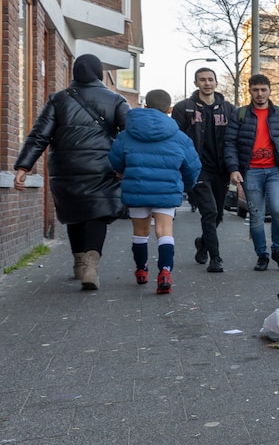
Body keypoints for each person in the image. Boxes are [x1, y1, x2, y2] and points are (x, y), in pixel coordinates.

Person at [15, 54, 130, 291]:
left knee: (74, 210)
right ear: (99, 73)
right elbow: (130, 135)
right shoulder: (116, 100)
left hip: (65, 167)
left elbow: (39, 135)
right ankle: (91, 265)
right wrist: (126, 167)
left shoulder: (58, 100)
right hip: (102, 166)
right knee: (97, 213)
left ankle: (79, 263)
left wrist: (23, 167)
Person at [109, 89, 201, 293]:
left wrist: (125, 172)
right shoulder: (180, 137)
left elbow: (115, 160)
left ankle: (141, 271)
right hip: (166, 189)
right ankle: (165, 272)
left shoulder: (126, 134)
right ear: (168, 109)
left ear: (146, 106)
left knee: (140, 232)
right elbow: (193, 166)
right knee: (164, 231)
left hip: (137, 188)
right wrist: (185, 185)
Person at [224, 74, 279, 271]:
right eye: (256, 89)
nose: (259, 94)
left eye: (263, 89)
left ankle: (278, 250)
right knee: (256, 215)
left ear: (269, 90)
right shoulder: (240, 115)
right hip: (251, 172)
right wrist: (234, 169)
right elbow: (229, 143)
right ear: (249, 90)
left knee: (278, 212)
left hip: (275, 171)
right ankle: (262, 255)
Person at [172, 67, 236, 273]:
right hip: (197, 169)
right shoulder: (184, 108)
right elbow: (177, 139)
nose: (207, 83)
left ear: (216, 83)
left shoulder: (228, 109)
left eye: (210, 79)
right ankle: (215, 258)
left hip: (221, 170)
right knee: (209, 212)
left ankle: (202, 243)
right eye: (202, 80)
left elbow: (234, 140)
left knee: (218, 215)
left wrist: (235, 167)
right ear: (196, 83)